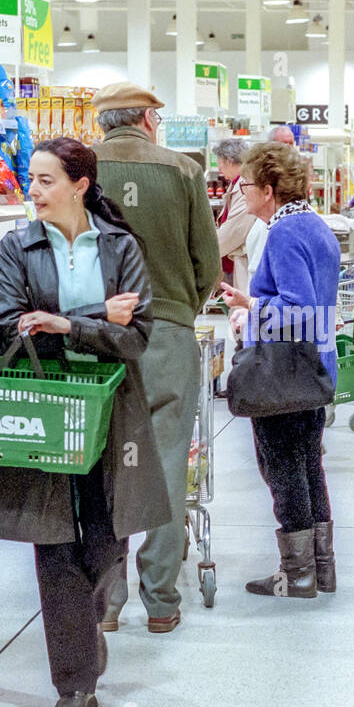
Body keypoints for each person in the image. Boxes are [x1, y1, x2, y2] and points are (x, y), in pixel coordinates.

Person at [0, 137, 170, 707]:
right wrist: (95, 318)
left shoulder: (120, 246)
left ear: (79, 185)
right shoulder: (17, 246)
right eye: (31, 179)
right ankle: (72, 681)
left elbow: (137, 336)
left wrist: (65, 321)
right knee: (53, 540)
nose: (33, 190)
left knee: (106, 539)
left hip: (111, 407)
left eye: (45, 180)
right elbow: (13, 327)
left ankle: (84, 635)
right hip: (43, 404)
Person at [91, 81, 219, 635]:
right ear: (146, 120)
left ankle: (107, 599)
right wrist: (176, 309)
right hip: (166, 333)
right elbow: (207, 261)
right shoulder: (185, 171)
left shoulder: (74, 166)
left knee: (102, 461)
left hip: (94, 334)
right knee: (167, 461)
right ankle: (162, 599)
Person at [220, 142, 341, 599]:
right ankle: (321, 568)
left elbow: (299, 309)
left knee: (283, 469)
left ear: (268, 189)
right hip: (311, 368)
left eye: (245, 185)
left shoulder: (284, 233)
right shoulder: (316, 226)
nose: (242, 194)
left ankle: (298, 574)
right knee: (309, 466)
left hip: (282, 371)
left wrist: (250, 303)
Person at [214, 138, 255, 290]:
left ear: (229, 161)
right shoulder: (236, 183)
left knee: (241, 309)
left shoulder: (246, 185)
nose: (221, 171)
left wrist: (205, 252)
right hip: (233, 262)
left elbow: (234, 231)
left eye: (221, 166)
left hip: (242, 262)